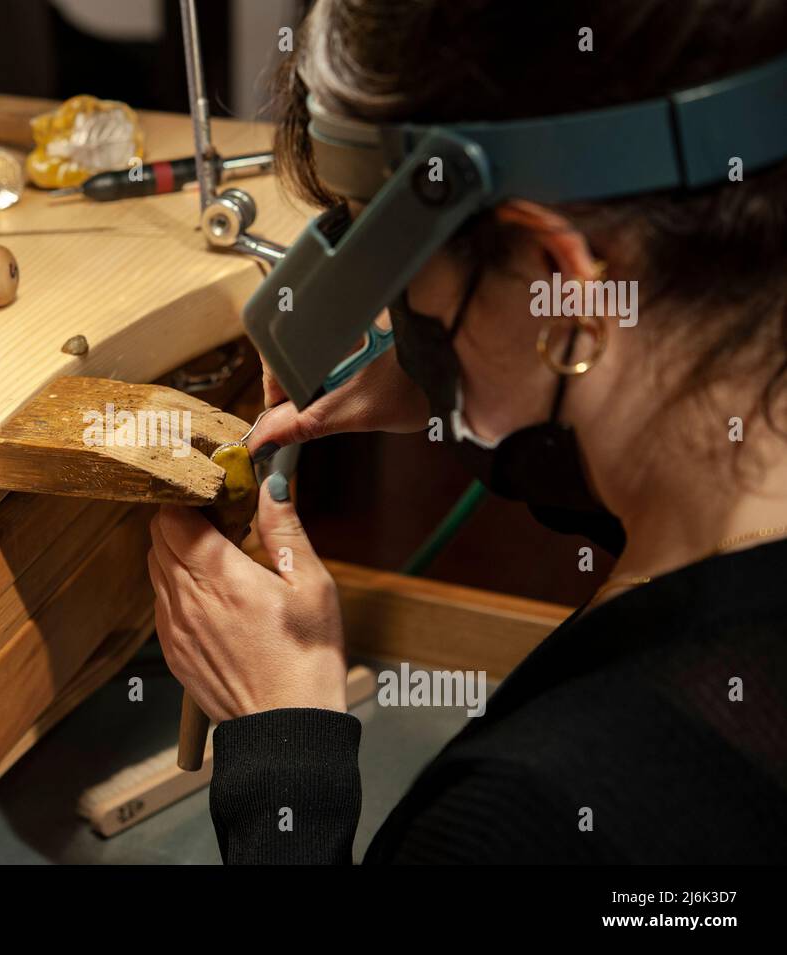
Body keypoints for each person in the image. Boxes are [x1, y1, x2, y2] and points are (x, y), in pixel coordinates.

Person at [147, 0, 787, 863]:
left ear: (557, 281)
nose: (397, 311)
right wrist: (475, 381)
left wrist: (281, 741)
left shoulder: (528, 816)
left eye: (408, 273)